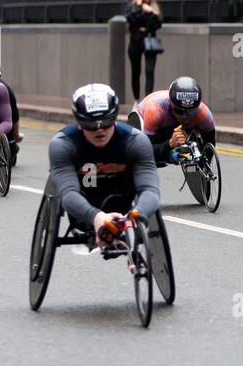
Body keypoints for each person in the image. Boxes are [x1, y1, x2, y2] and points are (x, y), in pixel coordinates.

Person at [48, 84, 161, 247]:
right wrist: (96, 217)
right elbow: (68, 193)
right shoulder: (63, 144)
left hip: (121, 198)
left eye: (106, 122)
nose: (99, 130)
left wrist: (137, 215)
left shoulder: (136, 141)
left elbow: (150, 189)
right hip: (85, 202)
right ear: (79, 122)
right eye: (91, 124)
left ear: (115, 119)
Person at [128, 76, 217, 166]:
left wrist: (205, 164)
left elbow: (210, 140)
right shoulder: (155, 111)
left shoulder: (203, 113)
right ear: (171, 104)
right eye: (179, 111)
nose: (184, 116)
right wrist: (169, 145)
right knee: (138, 155)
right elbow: (145, 151)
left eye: (190, 112)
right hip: (145, 122)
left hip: (171, 123)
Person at [124, 0, 163, 102]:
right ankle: (136, 100)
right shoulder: (132, 7)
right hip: (135, 42)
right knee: (136, 72)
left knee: (149, 71)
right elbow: (130, 19)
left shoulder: (154, 7)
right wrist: (139, 6)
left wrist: (150, 12)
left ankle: (148, 101)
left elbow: (158, 24)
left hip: (150, 42)